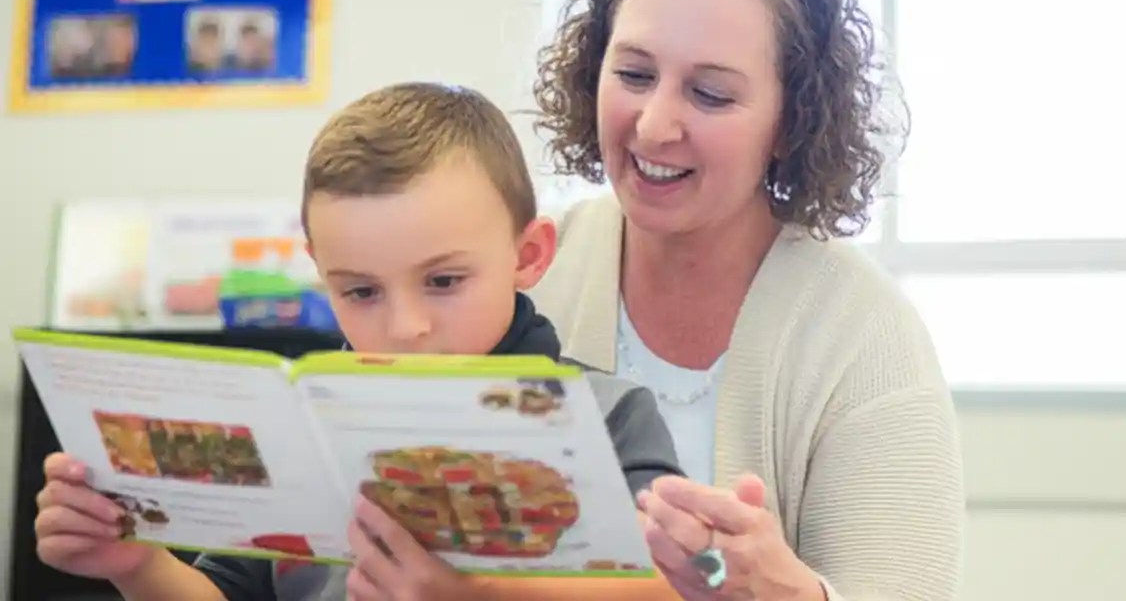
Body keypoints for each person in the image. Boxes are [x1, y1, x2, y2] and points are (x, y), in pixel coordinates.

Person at [33, 82, 687, 600]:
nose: (405, 327)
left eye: (442, 280)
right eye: (361, 292)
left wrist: (492, 592)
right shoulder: (298, 431)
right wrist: (137, 565)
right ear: (320, 273)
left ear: (529, 254)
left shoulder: (607, 413)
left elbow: (685, 588)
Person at [529, 0, 964, 601]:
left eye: (710, 94)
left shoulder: (863, 334)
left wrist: (797, 594)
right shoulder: (526, 274)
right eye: (634, 76)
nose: (655, 125)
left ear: (791, 123)